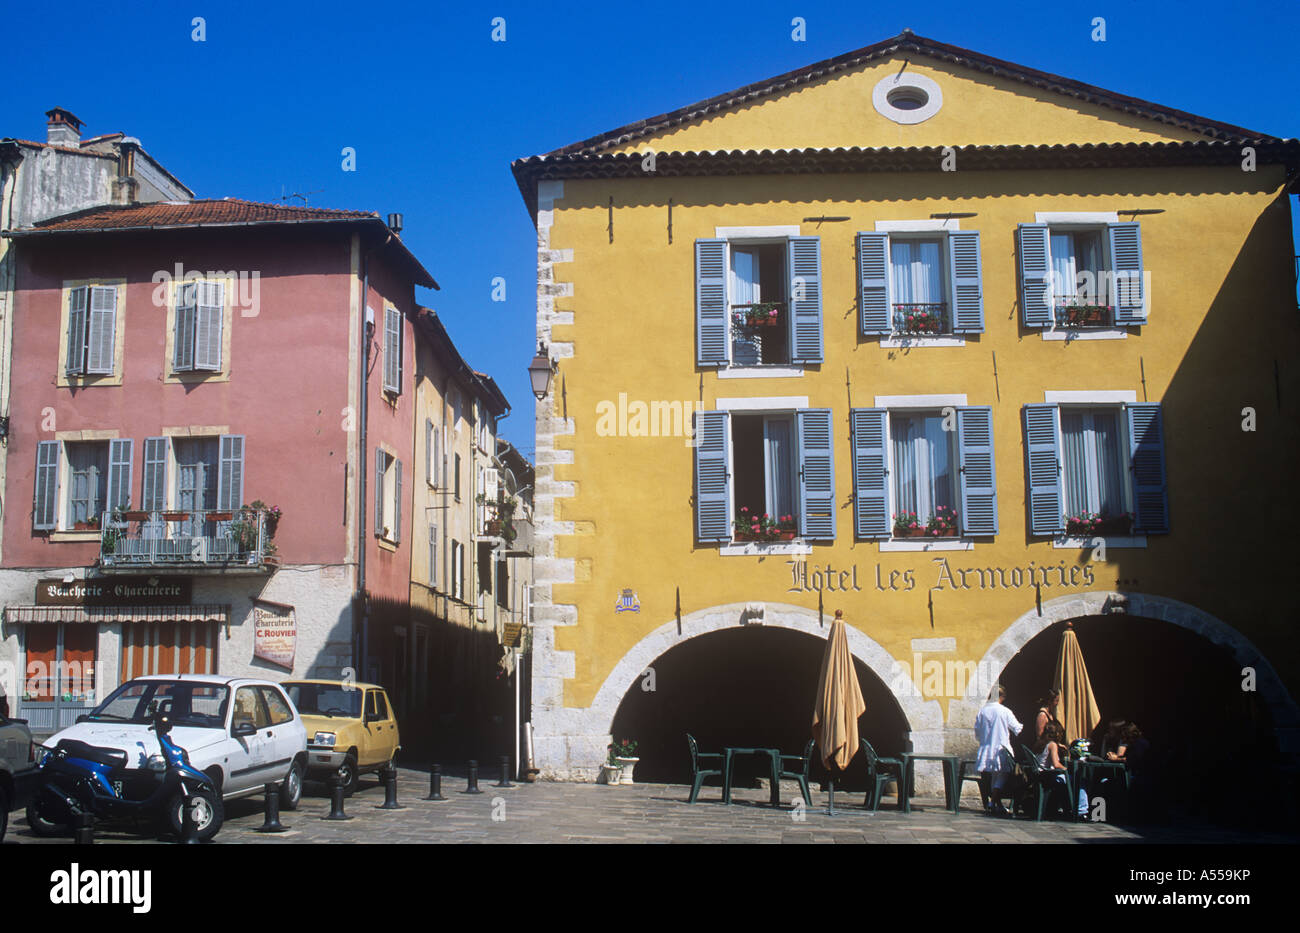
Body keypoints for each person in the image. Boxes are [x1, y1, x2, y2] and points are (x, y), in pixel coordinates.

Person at [974, 684, 1023, 816]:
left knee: (994, 777)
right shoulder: (1005, 711)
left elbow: (977, 733)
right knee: (1002, 775)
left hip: (987, 748)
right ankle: (992, 803)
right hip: (1001, 749)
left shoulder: (982, 711)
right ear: (1002, 697)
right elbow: (1017, 728)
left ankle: (997, 804)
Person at [1036, 720, 1087, 818]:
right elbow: (1056, 764)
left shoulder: (1040, 743)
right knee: (1078, 780)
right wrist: (1066, 768)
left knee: (1068, 779)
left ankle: (1068, 808)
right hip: (1047, 776)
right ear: (1057, 733)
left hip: (1039, 775)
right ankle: (1081, 811)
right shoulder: (1052, 745)